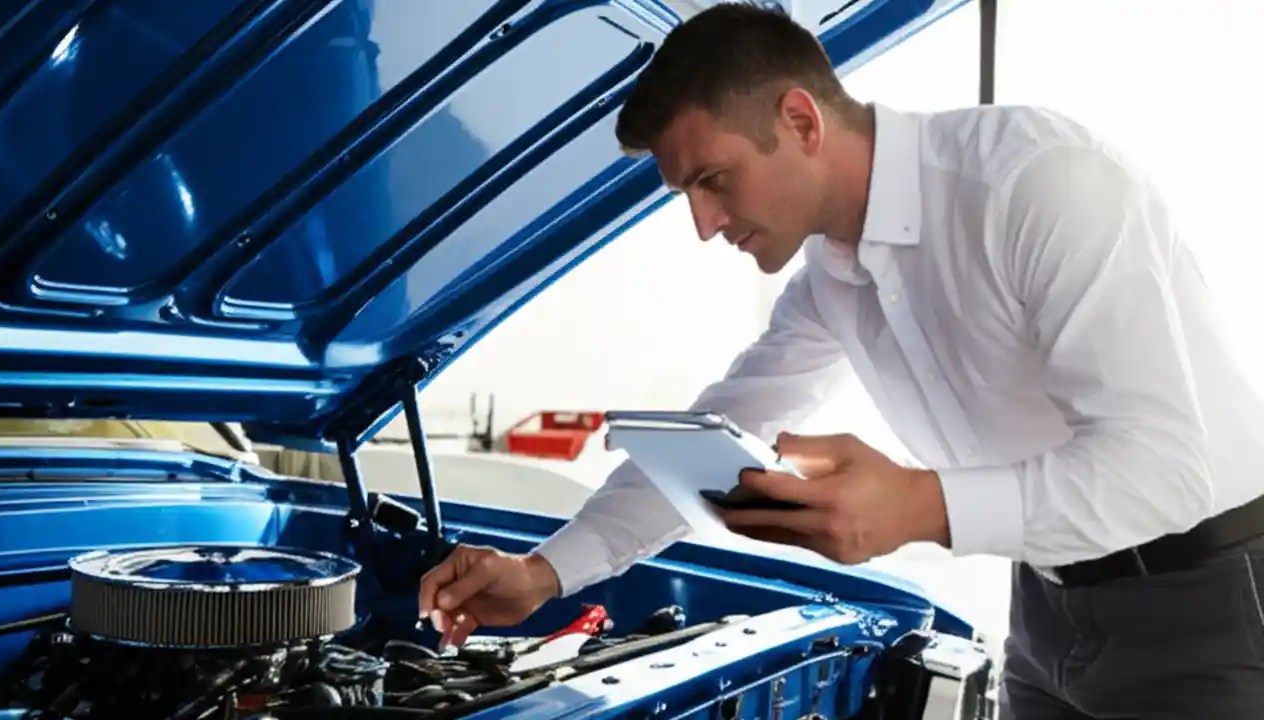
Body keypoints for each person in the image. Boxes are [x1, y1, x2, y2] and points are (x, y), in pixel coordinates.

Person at [418, 5, 1264, 717]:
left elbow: (1164, 473)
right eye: (687, 195)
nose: (705, 224)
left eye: (713, 180)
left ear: (800, 122)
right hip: (1043, 603)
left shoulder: (1040, 185)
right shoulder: (833, 273)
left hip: (1205, 600)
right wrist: (543, 570)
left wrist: (919, 505)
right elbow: (724, 425)